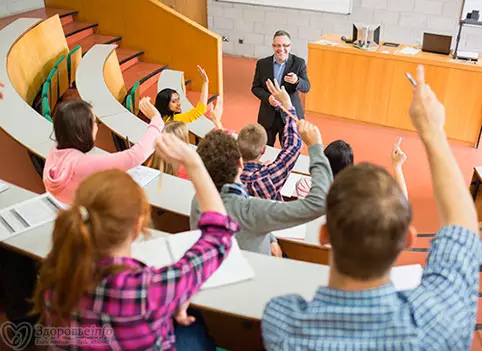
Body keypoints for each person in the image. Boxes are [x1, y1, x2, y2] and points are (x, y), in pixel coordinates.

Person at [262, 65, 481, 350]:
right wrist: (431, 131)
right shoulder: (437, 326)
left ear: (324, 234)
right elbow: (464, 232)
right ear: (407, 239)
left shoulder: (281, 320)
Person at [33, 134, 239, 350]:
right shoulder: (147, 289)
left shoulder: (54, 276)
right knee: (195, 327)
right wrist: (194, 163)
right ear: (139, 225)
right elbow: (219, 236)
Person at [191, 79, 333, 257]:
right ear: (263, 151)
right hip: (257, 252)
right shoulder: (263, 185)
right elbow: (292, 148)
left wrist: (217, 122)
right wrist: (292, 111)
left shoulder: (199, 199)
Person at [43, 98, 164, 204]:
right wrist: (157, 119)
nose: (97, 126)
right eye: (95, 122)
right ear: (84, 129)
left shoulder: (53, 154)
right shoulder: (82, 165)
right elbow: (135, 156)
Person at [238, 90, 302, 200]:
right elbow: (293, 147)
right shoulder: (267, 178)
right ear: (263, 150)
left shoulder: (226, 174)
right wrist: (288, 104)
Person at [252, 30, 310, 147]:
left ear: (290, 46)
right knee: (265, 149)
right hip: (268, 115)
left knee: (289, 150)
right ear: (273, 46)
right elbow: (255, 88)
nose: (281, 49)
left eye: (285, 45)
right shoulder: (262, 64)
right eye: (278, 45)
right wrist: (268, 98)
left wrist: (297, 80)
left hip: (289, 115)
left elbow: (306, 87)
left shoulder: (298, 63)